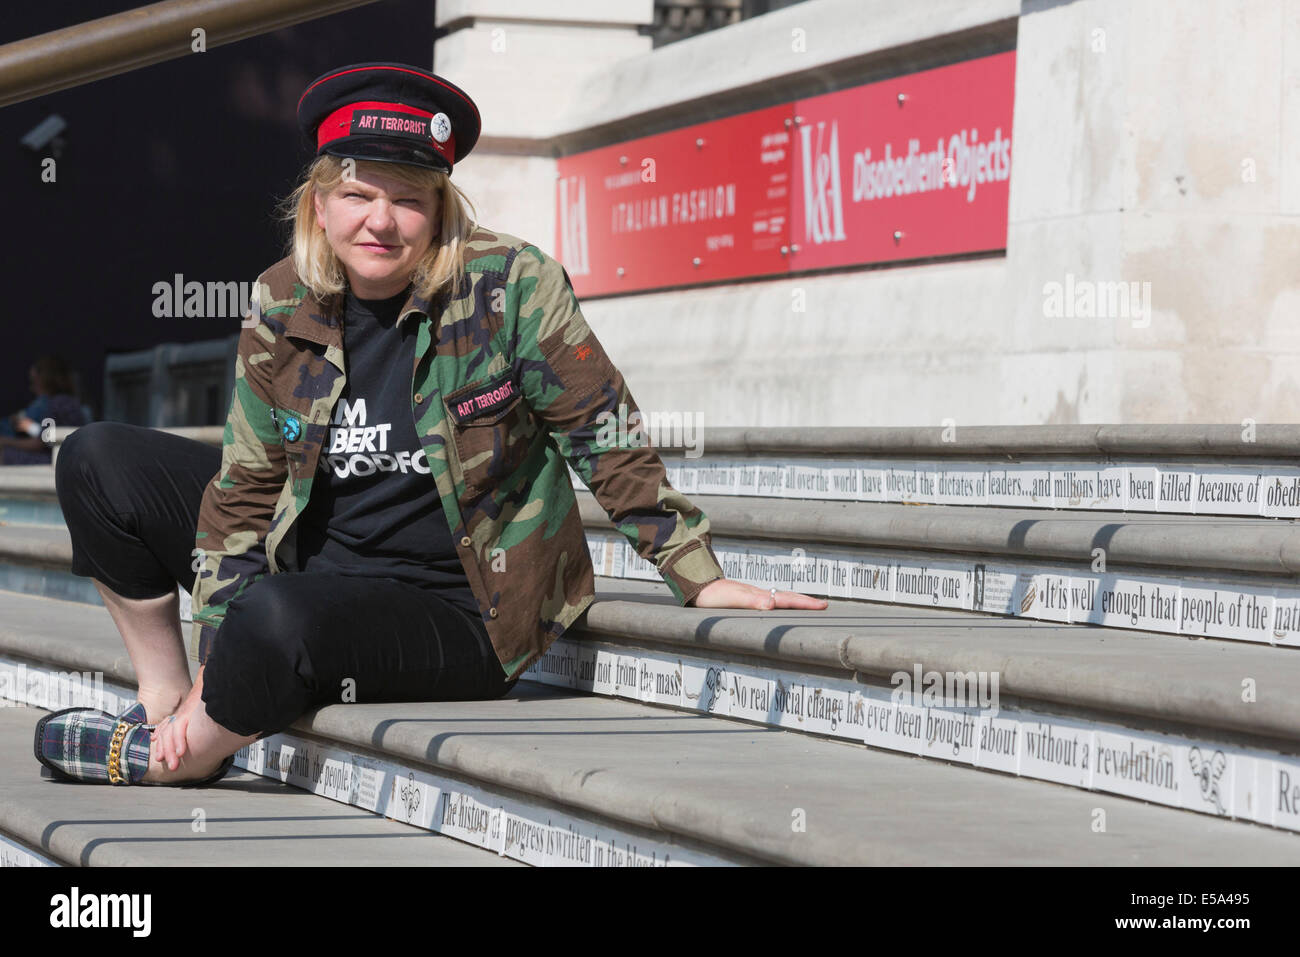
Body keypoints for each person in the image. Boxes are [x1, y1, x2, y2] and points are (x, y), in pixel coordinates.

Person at [34, 62, 827, 788]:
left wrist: (696, 569)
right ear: (319, 203)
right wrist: (215, 649)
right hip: (311, 569)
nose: (382, 221)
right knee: (97, 457)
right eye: (357, 194)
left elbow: (601, 428)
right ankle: (165, 697)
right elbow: (244, 490)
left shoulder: (511, 286)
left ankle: (184, 755)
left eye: (408, 198)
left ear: (440, 206)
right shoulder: (282, 300)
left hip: (460, 611)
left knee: (271, 614)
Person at [0, 356, 90, 465]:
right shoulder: (67, 401)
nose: (32, 388)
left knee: (5, 453)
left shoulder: (58, 403)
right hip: (63, 458)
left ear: (45, 380)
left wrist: (6, 441)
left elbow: (41, 442)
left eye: (34, 381)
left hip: (57, 461)